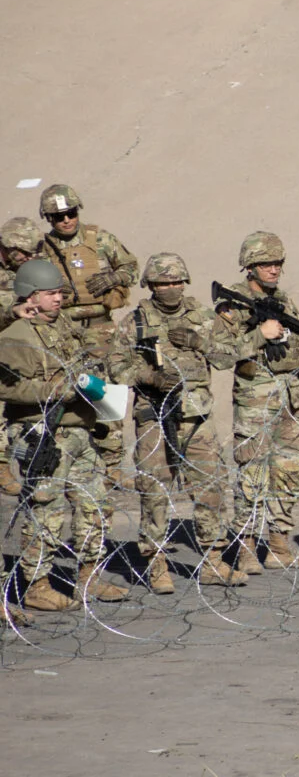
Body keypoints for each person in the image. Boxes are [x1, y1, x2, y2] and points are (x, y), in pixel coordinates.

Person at [109, 253, 247, 593]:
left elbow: (231, 355)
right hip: (154, 416)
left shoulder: (202, 316)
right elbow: (115, 366)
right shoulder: (135, 322)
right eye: (163, 284)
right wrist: (149, 377)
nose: (171, 289)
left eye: (176, 282)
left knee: (210, 488)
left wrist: (200, 342)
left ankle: (213, 558)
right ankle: (156, 563)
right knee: (154, 491)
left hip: (196, 417)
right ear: (151, 286)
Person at [0, 260, 129, 612]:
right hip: (44, 433)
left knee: (95, 504)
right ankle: (37, 584)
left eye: (59, 292)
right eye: (50, 293)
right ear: (30, 296)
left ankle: (89, 574)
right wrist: (53, 390)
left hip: (80, 429)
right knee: (47, 509)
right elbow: (9, 388)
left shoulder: (65, 327)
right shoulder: (15, 338)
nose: (58, 299)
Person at [217, 232, 299, 573]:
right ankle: (246, 548)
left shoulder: (284, 302)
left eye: (278, 263)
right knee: (252, 475)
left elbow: (298, 352)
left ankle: (279, 544)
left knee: (289, 472)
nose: (274, 270)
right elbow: (218, 355)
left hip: (290, 400)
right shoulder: (231, 306)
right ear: (250, 267)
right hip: (255, 400)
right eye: (266, 264)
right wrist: (257, 336)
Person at [36, 184, 139, 489]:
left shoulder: (101, 239)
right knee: (64, 391)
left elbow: (131, 266)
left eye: (70, 213)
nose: (66, 220)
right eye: (58, 216)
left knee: (104, 391)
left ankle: (112, 463)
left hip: (100, 327)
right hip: (61, 329)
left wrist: (114, 276)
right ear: (49, 219)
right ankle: (68, 458)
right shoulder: (42, 250)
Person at [0, 217, 46, 497]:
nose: (30, 258)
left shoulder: (28, 268)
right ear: (7, 247)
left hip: (17, 346)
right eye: (25, 253)